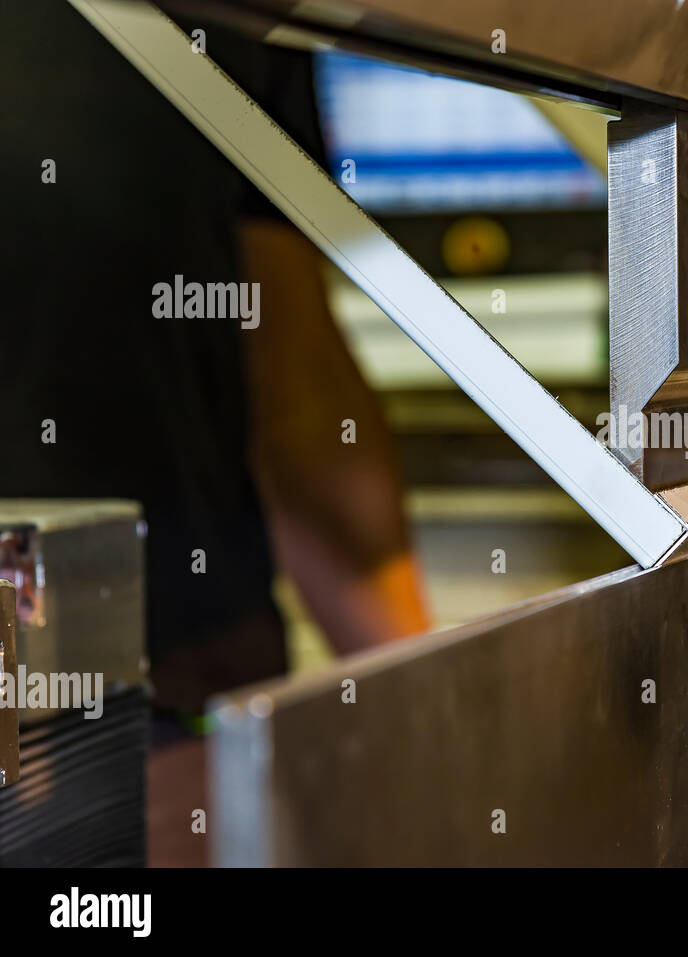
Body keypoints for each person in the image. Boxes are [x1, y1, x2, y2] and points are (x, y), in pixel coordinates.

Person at [1, 5, 430, 721]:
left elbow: (297, 380)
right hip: (87, 688)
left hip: (188, 690)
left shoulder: (249, 18)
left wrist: (430, 720)